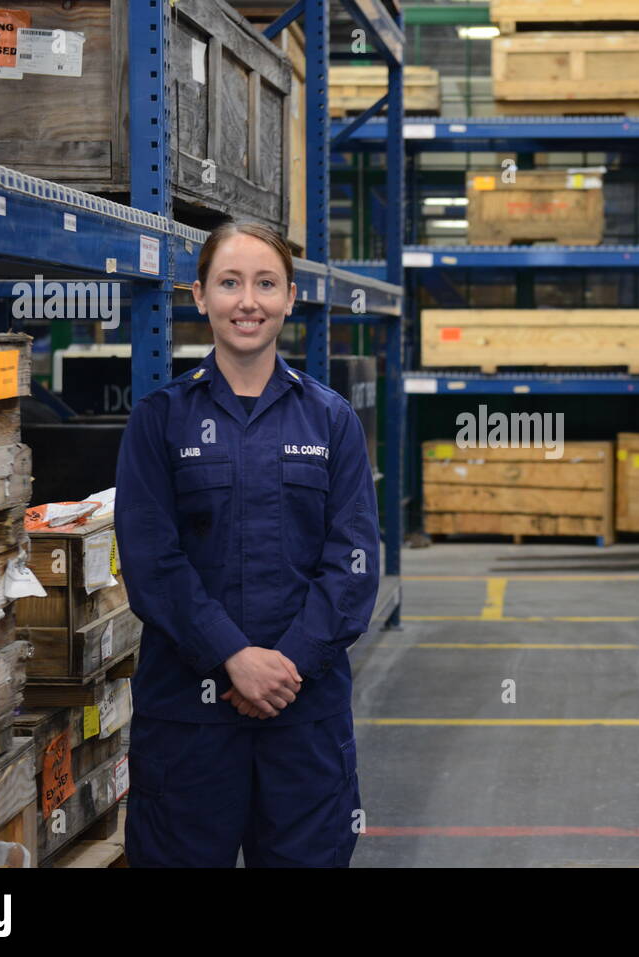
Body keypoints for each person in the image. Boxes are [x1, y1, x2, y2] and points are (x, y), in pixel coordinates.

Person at [114, 221, 380, 867]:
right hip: (189, 715)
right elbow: (151, 560)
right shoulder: (160, 418)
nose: (247, 301)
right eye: (229, 283)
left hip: (302, 712)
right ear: (199, 295)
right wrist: (233, 656)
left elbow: (352, 561)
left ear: (291, 297)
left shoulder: (330, 419)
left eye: (266, 283)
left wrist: (284, 664)